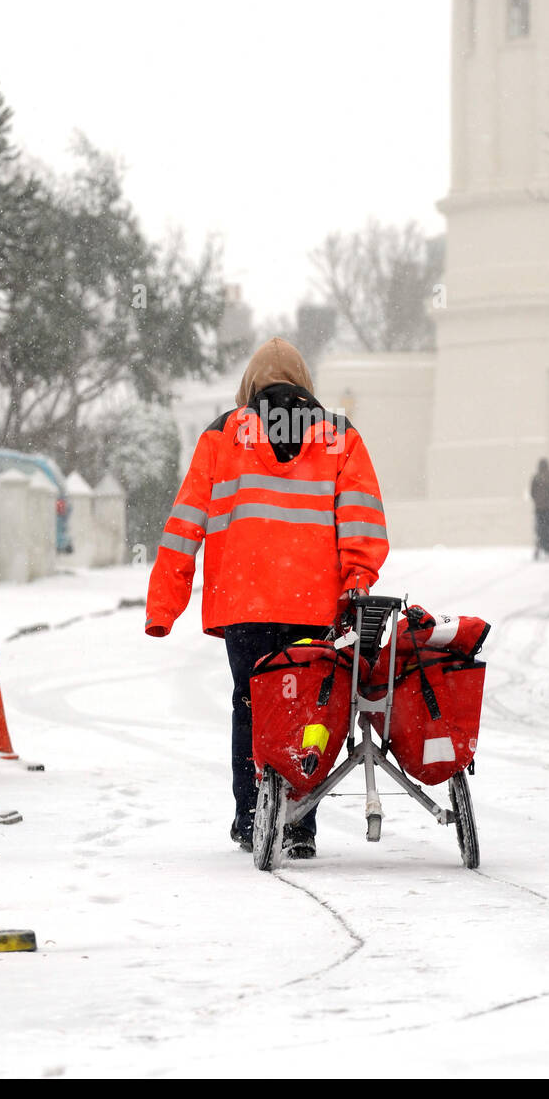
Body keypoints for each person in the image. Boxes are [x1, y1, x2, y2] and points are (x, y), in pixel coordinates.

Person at [145, 336, 388, 859]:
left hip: (244, 607)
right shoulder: (338, 435)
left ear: (250, 386)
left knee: (251, 705)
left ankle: (251, 815)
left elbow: (184, 523)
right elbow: (363, 520)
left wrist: (164, 606)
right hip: (314, 606)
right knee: (310, 711)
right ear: (305, 384)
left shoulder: (222, 436)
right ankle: (300, 827)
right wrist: (356, 581)